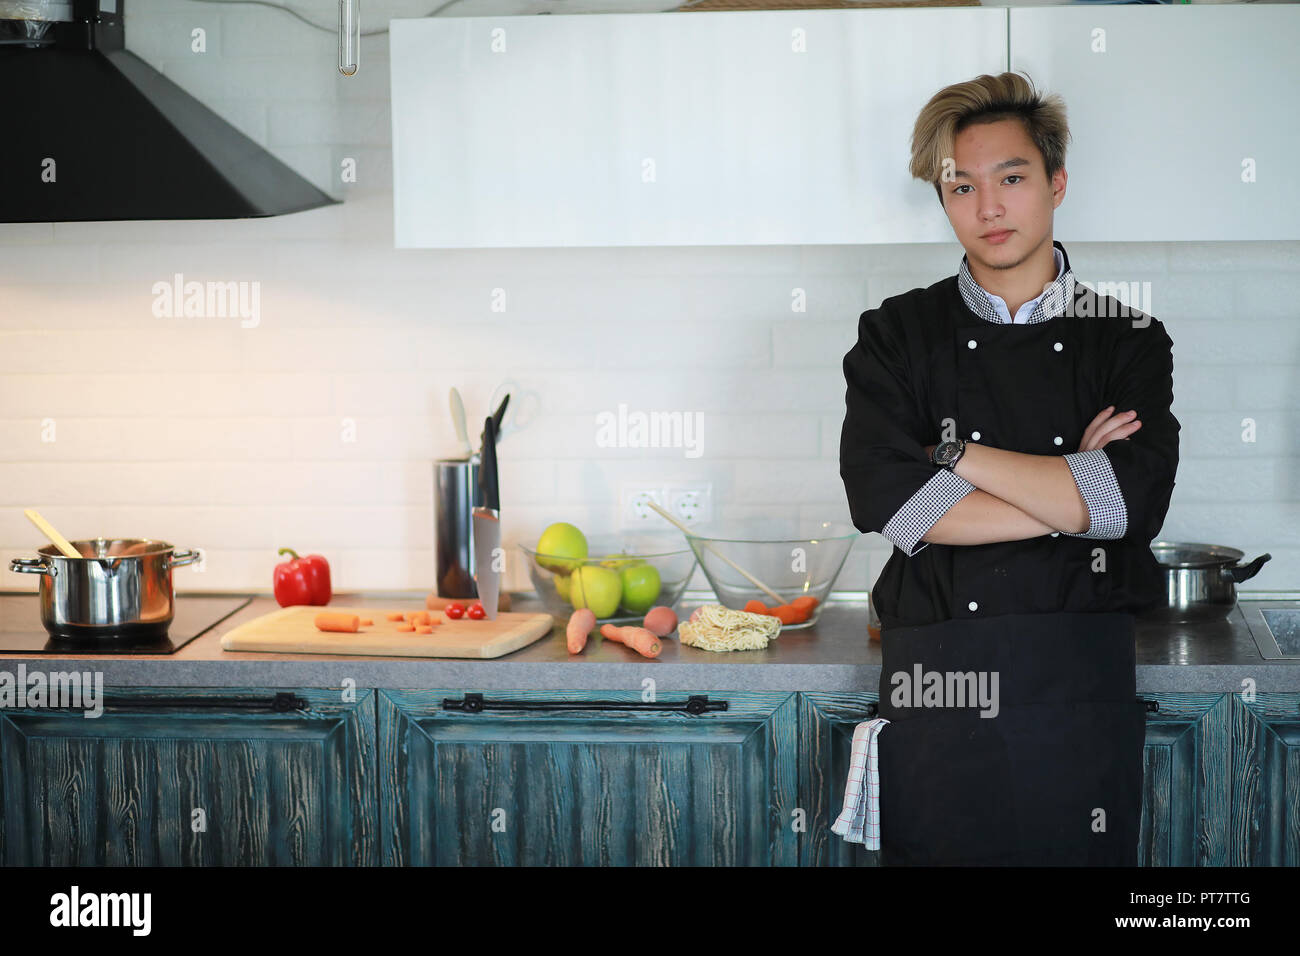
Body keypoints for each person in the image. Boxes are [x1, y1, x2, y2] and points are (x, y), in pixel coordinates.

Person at [839, 72, 1180, 866]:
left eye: (1012, 178)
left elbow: (1133, 502)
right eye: (961, 186)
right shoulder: (896, 333)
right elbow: (890, 503)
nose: (988, 207)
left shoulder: (1126, 337)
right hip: (936, 667)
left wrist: (955, 458)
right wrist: (1073, 491)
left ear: (1057, 184)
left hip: (1076, 668)